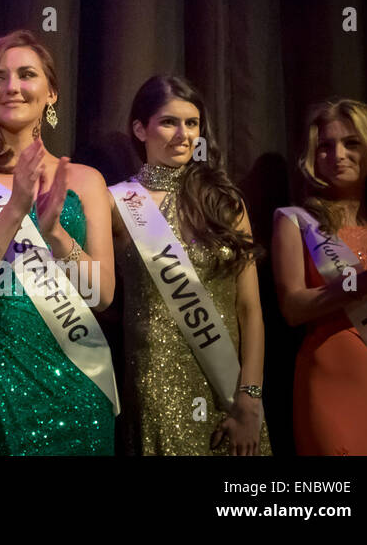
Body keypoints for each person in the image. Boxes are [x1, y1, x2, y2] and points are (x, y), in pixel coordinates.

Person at [0, 30, 117, 455]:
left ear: (51, 92)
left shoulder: (85, 180)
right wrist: (15, 207)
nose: (12, 88)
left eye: (27, 75)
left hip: (81, 384)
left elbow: (102, 295)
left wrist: (57, 235)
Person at [109, 75, 271, 455]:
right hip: (156, 390)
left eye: (192, 123)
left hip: (230, 392)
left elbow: (250, 309)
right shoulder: (115, 202)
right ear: (139, 128)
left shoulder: (225, 203)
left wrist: (250, 398)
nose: (183, 134)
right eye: (169, 122)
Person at [271, 99, 367, 454]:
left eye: (351, 143)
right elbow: (293, 308)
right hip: (333, 386)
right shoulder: (296, 220)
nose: (337, 155)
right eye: (325, 146)